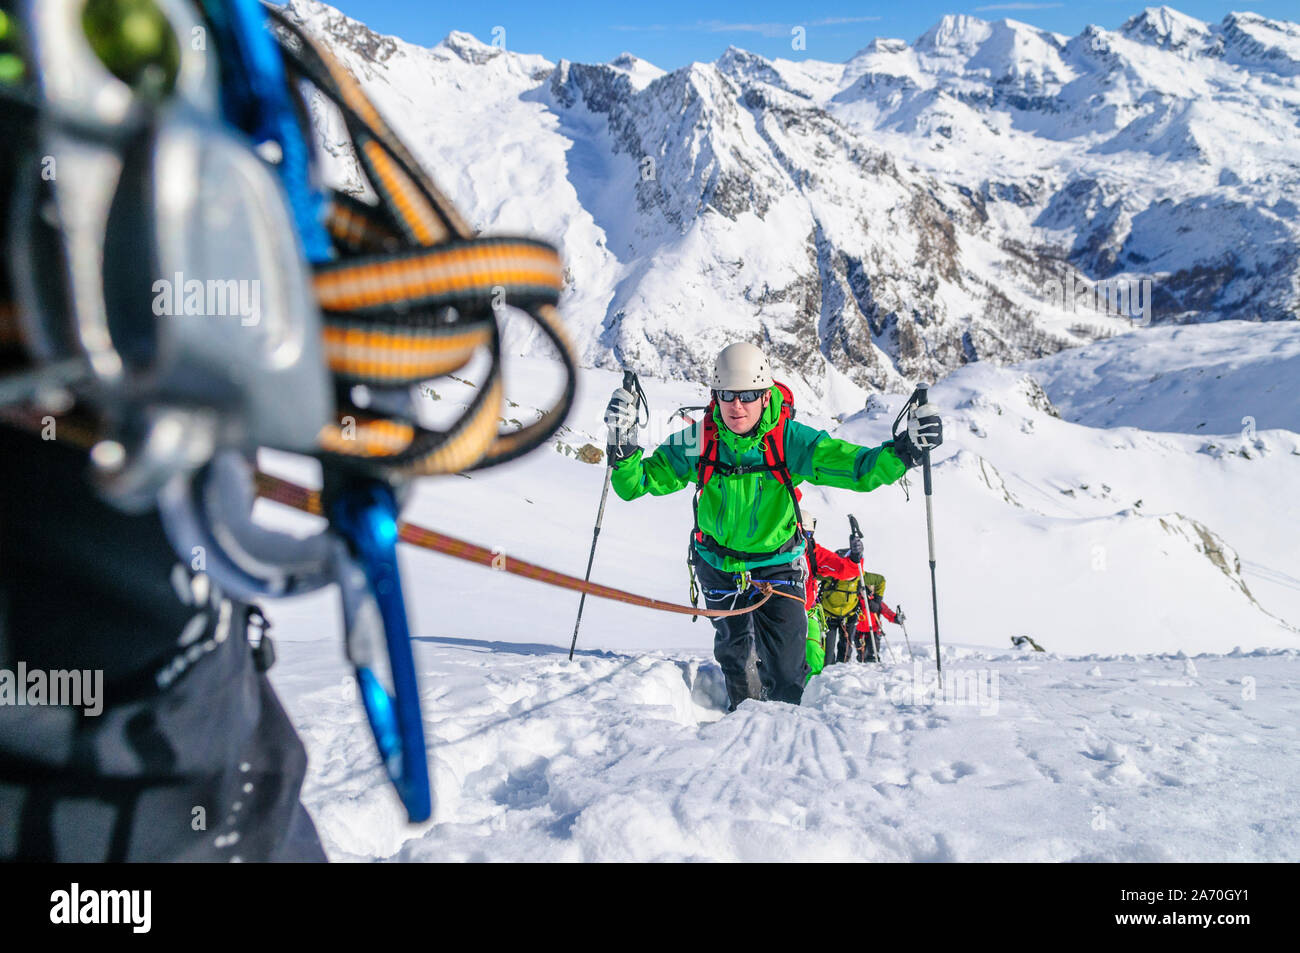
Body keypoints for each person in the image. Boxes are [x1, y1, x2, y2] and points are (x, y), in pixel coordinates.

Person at [605, 342, 943, 709]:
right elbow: (635, 484)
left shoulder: (789, 439)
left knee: (786, 670)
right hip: (718, 566)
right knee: (735, 660)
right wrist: (622, 449)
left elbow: (857, 468)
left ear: (766, 396)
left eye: (748, 395)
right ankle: (739, 723)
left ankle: (781, 732)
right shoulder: (699, 439)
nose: (737, 405)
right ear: (715, 395)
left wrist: (905, 451)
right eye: (727, 395)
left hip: (777, 567)